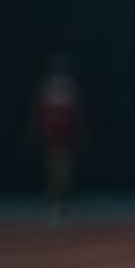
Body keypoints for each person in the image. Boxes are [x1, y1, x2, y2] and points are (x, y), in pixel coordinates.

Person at [30, 52, 86, 223]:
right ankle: (57, 202)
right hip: (54, 131)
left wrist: (78, 130)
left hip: (63, 131)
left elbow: (75, 111)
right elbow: (40, 109)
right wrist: (40, 127)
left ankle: (61, 202)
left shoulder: (67, 86)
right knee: (57, 168)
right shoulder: (49, 86)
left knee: (62, 168)